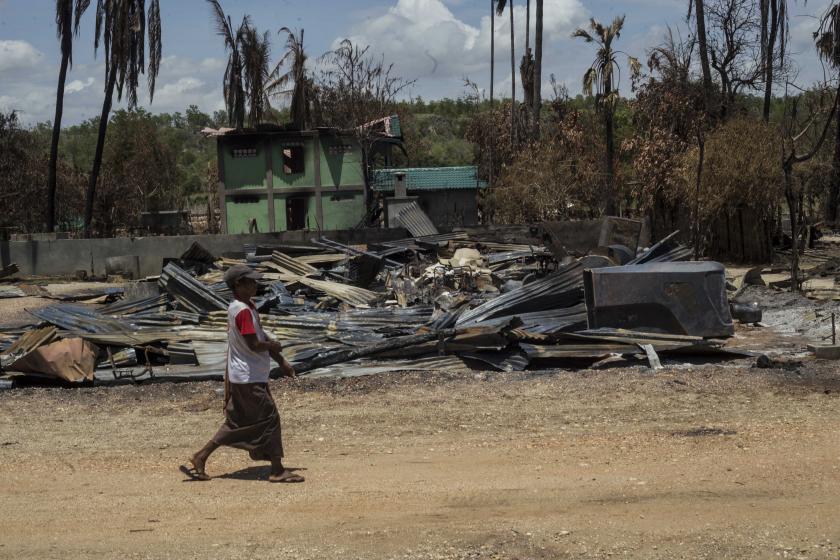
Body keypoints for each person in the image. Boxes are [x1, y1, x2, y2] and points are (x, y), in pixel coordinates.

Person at [180, 264, 304, 483]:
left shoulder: (245, 306)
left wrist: (281, 360)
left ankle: (201, 456)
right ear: (238, 284)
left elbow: (260, 335)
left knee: (236, 423)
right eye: (250, 281)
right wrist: (274, 346)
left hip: (246, 375)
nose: (255, 284)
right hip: (248, 377)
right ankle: (276, 469)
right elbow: (256, 343)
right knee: (270, 419)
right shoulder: (243, 311)